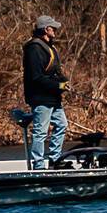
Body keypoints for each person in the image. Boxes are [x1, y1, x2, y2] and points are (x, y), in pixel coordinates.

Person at [23, 15, 69, 169]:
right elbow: (36, 77)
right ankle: (38, 165)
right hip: (40, 97)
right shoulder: (34, 49)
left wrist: (64, 82)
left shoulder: (50, 47)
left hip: (52, 97)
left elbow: (54, 72)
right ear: (45, 29)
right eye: (52, 27)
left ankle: (55, 159)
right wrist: (58, 86)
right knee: (40, 132)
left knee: (62, 124)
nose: (55, 30)